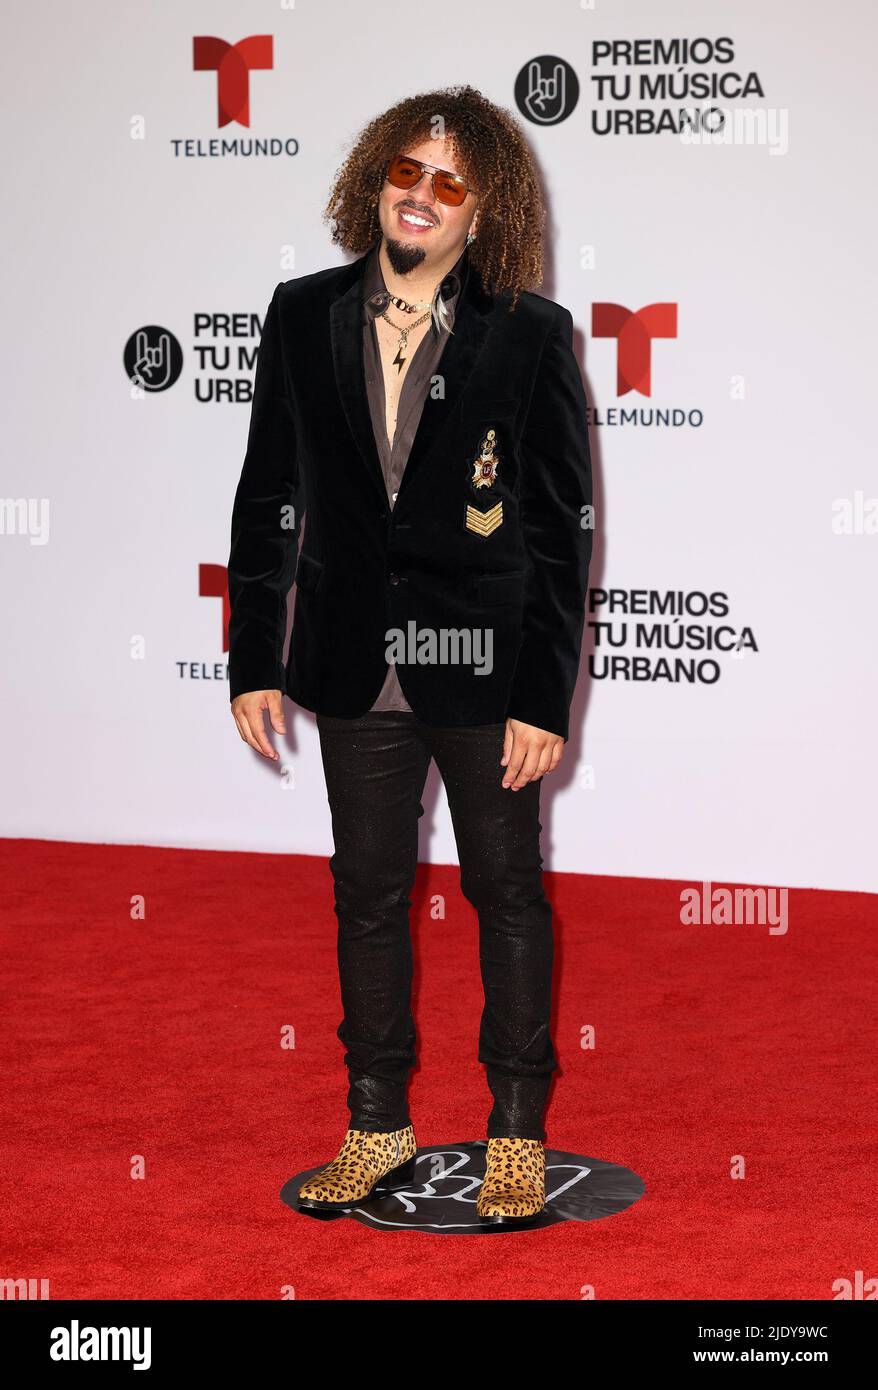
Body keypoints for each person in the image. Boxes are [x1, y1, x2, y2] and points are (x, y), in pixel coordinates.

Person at [228, 85, 593, 1226]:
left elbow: (555, 528)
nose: (419, 195)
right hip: (348, 664)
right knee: (366, 893)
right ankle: (374, 1117)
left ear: (479, 209)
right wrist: (253, 655)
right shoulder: (300, 313)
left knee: (503, 890)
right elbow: (268, 497)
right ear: (371, 180)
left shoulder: (527, 333)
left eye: (447, 181)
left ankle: (516, 1129)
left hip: (482, 667)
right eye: (404, 170)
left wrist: (543, 694)